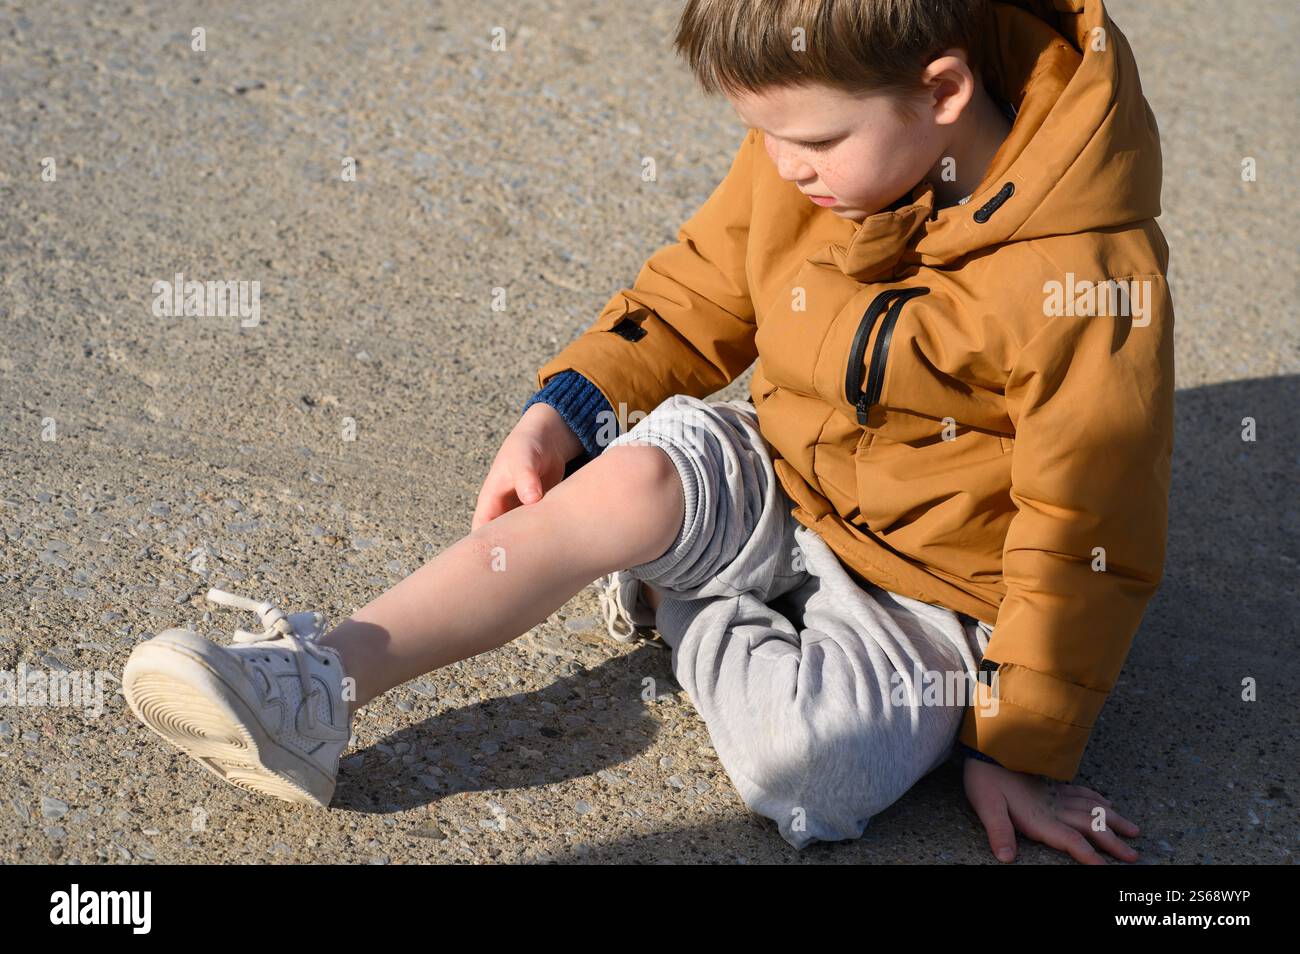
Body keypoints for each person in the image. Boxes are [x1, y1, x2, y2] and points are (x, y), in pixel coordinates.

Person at [123, 0, 1171, 863]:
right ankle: (316, 684)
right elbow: (692, 297)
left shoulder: (1083, 281)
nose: (780, 167)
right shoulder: (813, 145)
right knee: (618, 489)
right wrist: (568, 409)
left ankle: (679, 593)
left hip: (934, 603)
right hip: (779, 475)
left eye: (808, 143)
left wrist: (1021, 748)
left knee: (805, 773)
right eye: (758, 133)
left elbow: (1084, 526)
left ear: (942, 90)